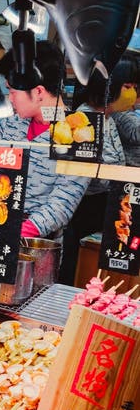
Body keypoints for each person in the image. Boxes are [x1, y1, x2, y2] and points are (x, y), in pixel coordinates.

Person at [0, 40, 90, 242]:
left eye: (12, 91)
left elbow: (62, 204)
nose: (10, 99)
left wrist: (14, 234)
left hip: (37, 245)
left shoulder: (79, 134)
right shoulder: (9, 125)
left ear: (38, 92)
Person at [59, 61, 128, 284]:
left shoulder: (108, 119)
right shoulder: (84, 120)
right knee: (75, 265)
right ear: (110, 90)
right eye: (127, 87)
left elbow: (117, 161)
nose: (132, 93)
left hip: (102, 204)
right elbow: (97, 172)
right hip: (84, 207)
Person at [110, 56, 140, 166]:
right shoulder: (119, 112)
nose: (132, 92)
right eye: (127, 87)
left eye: (134, 87)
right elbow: (135, 135)